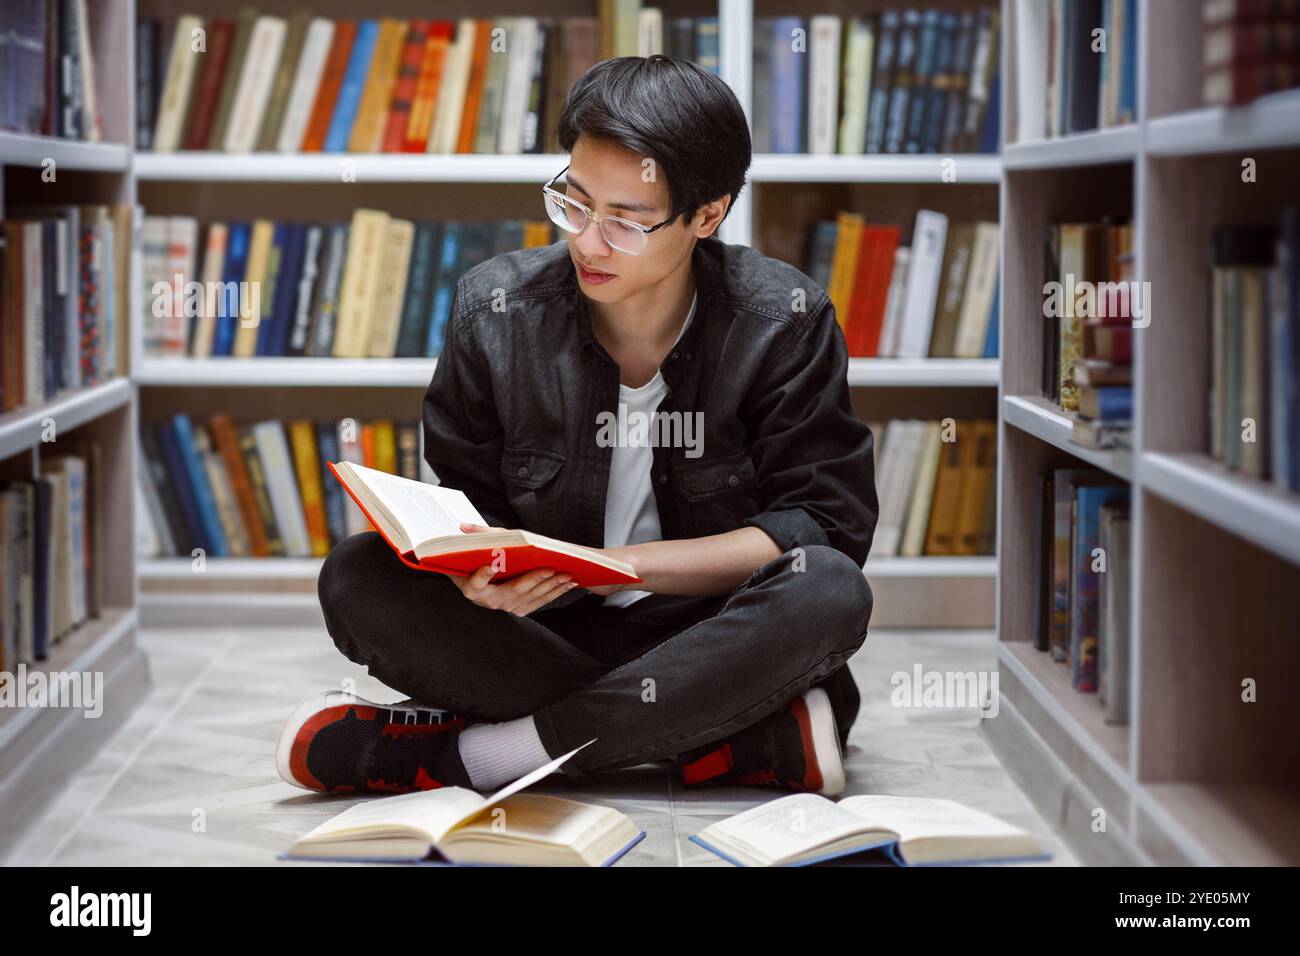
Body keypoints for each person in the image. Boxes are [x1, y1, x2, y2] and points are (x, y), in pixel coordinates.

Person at [276, 55, 878, 799]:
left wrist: (618, 564)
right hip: (549, 639)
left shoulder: (781, 322)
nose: (590, 242)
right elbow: (473, 508)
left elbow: (822, 524)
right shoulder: (495, 311)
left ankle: (486, 755)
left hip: (711, 635)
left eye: (627, 220)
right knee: (359, 574)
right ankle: (727, 733)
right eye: (575, 201)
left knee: (827, 590)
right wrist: (481, 572)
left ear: (708, 216)